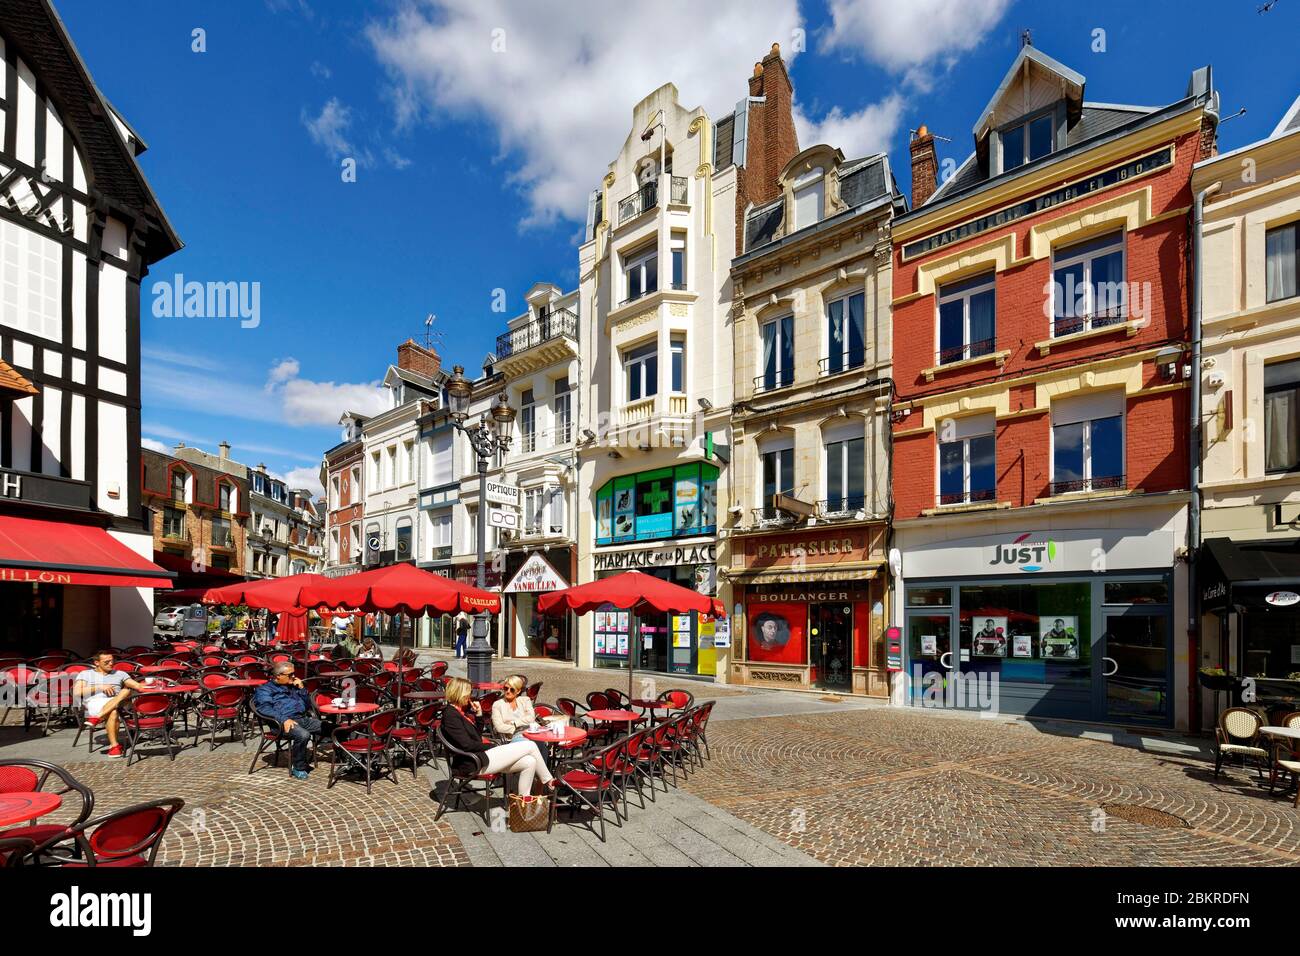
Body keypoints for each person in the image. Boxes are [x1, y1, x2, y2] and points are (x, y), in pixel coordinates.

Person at [441, 677, 554, 795]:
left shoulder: (461, 712)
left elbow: (476, 736)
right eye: (468, 693)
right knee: (530, 745)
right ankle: (550, 781)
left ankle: (523, 804)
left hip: (480, 756)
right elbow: (467, 745)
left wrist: (479, 714)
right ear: (459, 693)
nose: (470, 696)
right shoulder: (451, 715)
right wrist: (492, 746)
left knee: (530, 761)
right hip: (471, 762)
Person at [252, 662, 322, 780]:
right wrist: (283, 719)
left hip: (302, 719)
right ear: (278, 676)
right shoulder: (265, 690)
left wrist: (302, 689)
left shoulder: (293, 687)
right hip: (280, 724)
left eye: (294, 673)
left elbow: (307, 705)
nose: (294, 677)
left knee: (335, 728)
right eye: (290, 674)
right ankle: (298, 767)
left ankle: (350, 760)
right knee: (303, 735)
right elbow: (264, 708)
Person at [73, 650, 147, 758]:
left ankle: (99, 720)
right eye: (106, 662)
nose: (111, 664)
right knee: (113, 711)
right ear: (96, 663)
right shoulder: (86, 674)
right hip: (95, 703)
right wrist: (100, 687)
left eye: (112, 661)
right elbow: (77, 692)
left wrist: (154, 683)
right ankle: (114, 745)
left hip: (118, 702)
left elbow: (137, 686)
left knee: (127, 690)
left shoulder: (120, 674)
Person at [491, 675, 548, 763]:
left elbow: (531, 718)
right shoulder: (497, 704)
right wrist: (518, 727)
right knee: (531, 746)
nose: (508, 692)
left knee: (543, 746)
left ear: (518, 691)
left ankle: (540, 774)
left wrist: (514, 723)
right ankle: (542, 775)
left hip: (531, 733)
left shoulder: (525, 700)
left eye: (512, 689)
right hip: (513, 737)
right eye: (506, 688)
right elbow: (499, 727)